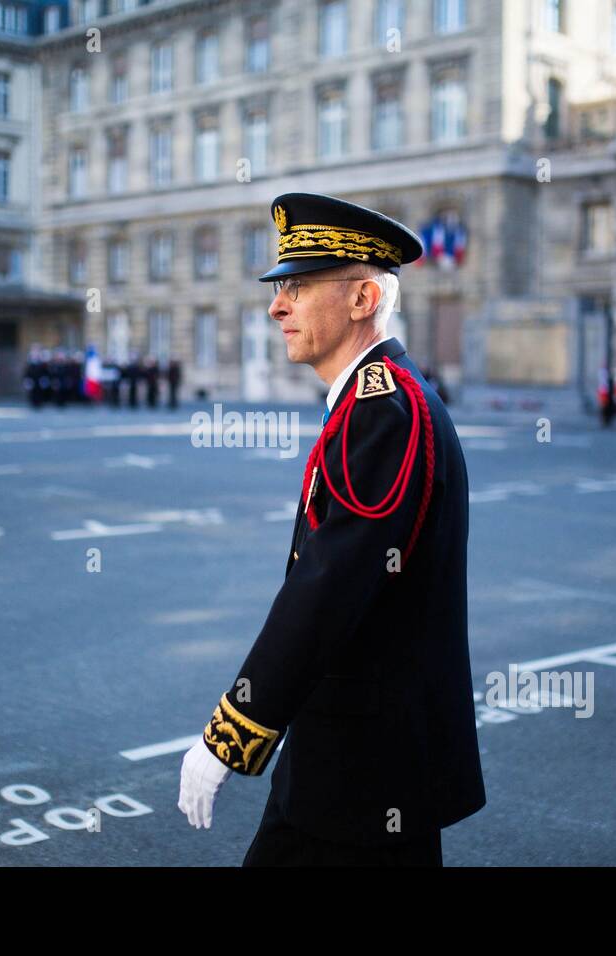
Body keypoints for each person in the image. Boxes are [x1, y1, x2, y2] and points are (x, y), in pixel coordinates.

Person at [178, 191, 486, 866]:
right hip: (357, 770)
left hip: (360, 778)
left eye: (299, 286)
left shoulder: (384, 409)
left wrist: (230, 734)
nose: (276, 306)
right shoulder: (377, 398)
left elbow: (329, 584)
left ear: (362, 300)